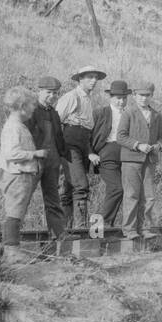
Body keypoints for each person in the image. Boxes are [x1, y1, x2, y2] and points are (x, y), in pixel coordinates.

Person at [0, 86, 50, 264]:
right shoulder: (13, 127)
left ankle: (11, 249)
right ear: (22, 106)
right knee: (14, 213)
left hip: (22, 174)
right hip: (17, 174)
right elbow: (10, 154)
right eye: (31, 105)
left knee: (17, 212)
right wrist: (35, 154)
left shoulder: (18, 125)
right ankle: (11, 251)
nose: (34, 108)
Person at [55, 65, 106, 229]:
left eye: (95, 78)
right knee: (81, 186)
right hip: (69, 147)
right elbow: (56, 121)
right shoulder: (71, 97)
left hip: (82, 147)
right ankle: (80, 227)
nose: (94, 81)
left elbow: (86, 132)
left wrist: (89, 151)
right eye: (90, 77)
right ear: (80, 79)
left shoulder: (88, 100)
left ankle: (67, 228)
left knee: (70, 189)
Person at [116, 83, 162, 240]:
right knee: (131, 194)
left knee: (149, 196)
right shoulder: (128, 113)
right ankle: (130, 230)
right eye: (141, 95)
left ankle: (144, 228)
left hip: (150, 160)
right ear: (134, 96)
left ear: (151, 96)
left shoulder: (157, 115)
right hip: (131, 160)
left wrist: (158, 146)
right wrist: (138, 145)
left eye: (147, 95)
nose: (144, 98)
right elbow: (121, 136)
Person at [26, 75, 68, 241]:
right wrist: (32, 157)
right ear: (39, 91)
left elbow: (58, 137)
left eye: (56, 93)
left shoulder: (54, 113)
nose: (52, 96)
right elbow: (26, 137)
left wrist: (60, 156)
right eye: (49, 92)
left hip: (53, 160)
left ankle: (58, 233)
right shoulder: (30, 110)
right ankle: (12, 238)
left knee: (53, 198)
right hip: (35, 160)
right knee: (24, 196)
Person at [91, 80, 130, 231]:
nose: (121, 101)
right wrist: (90, 153)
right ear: (111, 97)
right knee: (117, 188)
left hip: (126, 155)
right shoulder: (100, 113)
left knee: (121, 190)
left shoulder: (129, 113)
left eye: (124, 98)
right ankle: (98, 226)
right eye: (118, 98)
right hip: (107, 154)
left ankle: (106, 227)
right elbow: (88, 134)